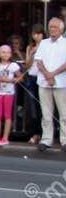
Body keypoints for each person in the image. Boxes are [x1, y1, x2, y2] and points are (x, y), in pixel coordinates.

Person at [36, 18, 66, 150]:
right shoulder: (44, 42)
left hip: (61, 82)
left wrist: (52, 74)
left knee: (64, 113)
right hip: (44, 82)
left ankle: (64, 140)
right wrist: (48, 75)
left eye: (55, 27)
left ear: (61, 29)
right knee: (46, 113)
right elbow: (39, 61)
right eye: (50, 27)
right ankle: (46, 140)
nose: (52, 29)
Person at [0, 44, 20, 145]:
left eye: (8, 52)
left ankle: (5, 138)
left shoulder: (14, 66)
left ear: (11, 54)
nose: (6, 54)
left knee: (7, 115)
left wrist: (9, 80)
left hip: (9, 93)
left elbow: (20, 78)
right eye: (3, 52)